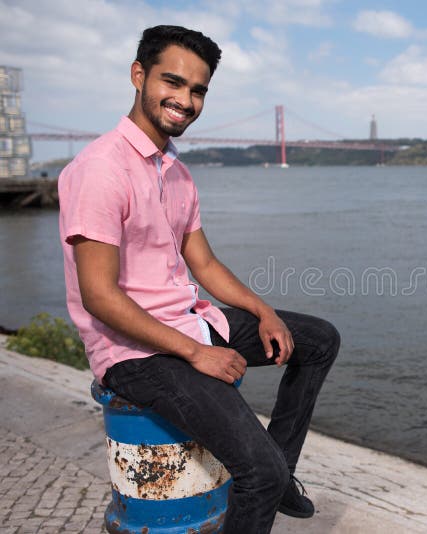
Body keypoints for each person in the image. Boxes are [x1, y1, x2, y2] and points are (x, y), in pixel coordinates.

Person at [58, 25, 339, 533]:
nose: (186, 101)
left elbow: (204, 264)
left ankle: (282, 474)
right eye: (173, 82)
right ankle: (271, 478)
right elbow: (98, 296)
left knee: (318, 341)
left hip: (187, 323)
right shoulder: (100, 169)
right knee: (257, 473)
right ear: (138, 75)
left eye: (198, 90)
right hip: (134, 353)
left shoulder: (176, 172)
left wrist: (264, 312)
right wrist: (196, 353)